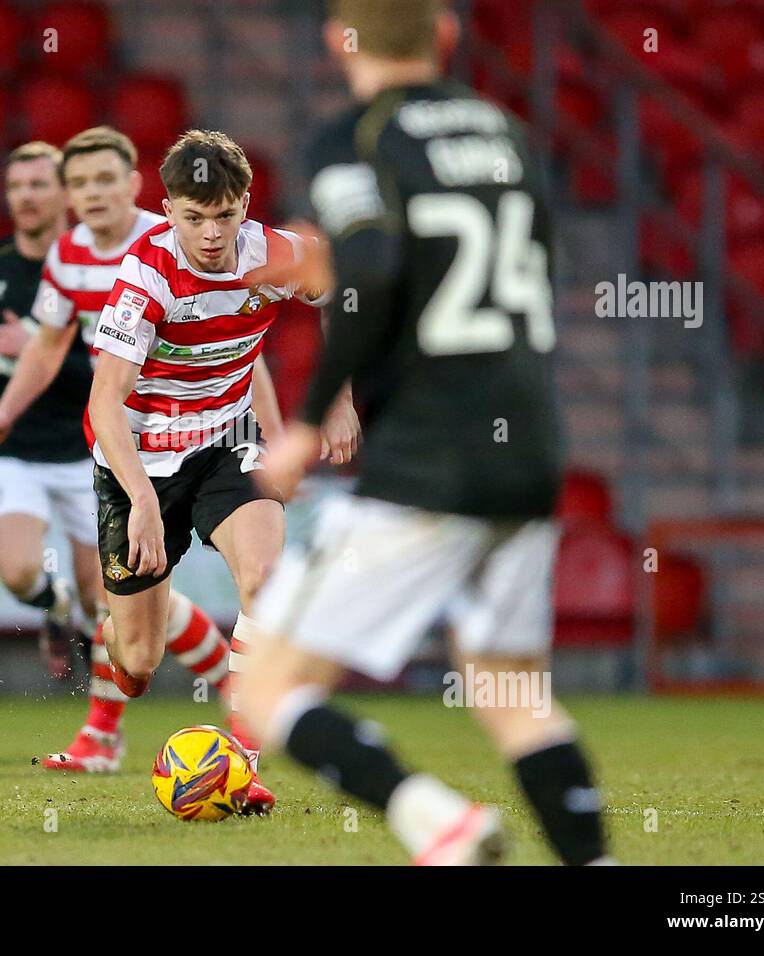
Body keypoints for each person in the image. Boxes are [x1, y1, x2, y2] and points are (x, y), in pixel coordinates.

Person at [240, 0, 613, 865]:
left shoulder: (357, 138)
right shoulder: (508, 131)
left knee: (268, 687)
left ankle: (435, 822)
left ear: (340, 42)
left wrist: (307, 419)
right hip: (529, 445)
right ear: (444, 36)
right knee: (513, 695)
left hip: (431, 454)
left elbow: (370, 265)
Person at [0, 128, 271, 779]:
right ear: (67, 195)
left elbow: (244, 340)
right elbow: (52, 349)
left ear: (137, 187)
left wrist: (286, 433)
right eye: (79, 184)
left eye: (106, 179)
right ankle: (143, 689)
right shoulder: (71, 257)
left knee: (259, 578)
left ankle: (226, 741)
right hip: (125, 446)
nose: (93, 194)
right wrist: (5, 411)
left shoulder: (200, 229)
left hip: (219, 434)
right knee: (131, 646)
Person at [81, 129, 362, 813]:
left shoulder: (274, 253)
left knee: (266, 581)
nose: (211, 234)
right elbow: (103, 403)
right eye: (192, 217)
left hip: (225, 442)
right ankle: (141, 619)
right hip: (137, 460)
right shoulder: (144, 277)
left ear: (246, 205)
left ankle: (244, 762)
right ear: (169, 210)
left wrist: (340, 399)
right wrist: (143, 501)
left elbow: (341, 291)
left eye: (225, 214)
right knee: (138, 662)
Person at [0, 141, 97, 681]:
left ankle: (99, 735)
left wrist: (35, 343)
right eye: (16, 187)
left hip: (89, 451)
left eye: (38, 185)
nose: (25, 197)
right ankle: (54, 608)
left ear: (65, 194)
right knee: (18, 574)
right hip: (17, 449)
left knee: (102, 603)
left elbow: (115, 366)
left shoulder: (95, 271)